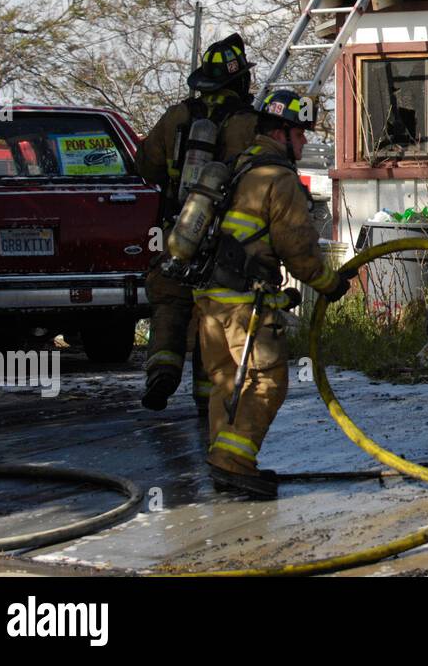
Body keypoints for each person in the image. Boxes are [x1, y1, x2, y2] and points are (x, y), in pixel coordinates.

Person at [195, 89, 349, 499]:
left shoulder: (236, 166)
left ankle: (222, 459)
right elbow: (299, 251)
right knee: (267, 381)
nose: (304, 144)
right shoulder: (279, 179)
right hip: (248, 301)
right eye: (300, 135)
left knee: (225, 381)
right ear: (282, 132)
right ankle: (234, 461)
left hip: (210, 300)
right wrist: (330, 284)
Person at [136, 33, 260, 413]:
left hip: (180, 226)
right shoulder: (248, 123)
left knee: (170, 302)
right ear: (240, 81)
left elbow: (145, 165)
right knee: (213, 309)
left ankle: (162, 368)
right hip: (226, 236)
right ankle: (208, 398)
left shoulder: (178, 115)